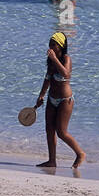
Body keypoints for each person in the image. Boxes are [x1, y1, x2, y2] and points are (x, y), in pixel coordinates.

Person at [34, 32, 84, 169]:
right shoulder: (50, 61)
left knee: (61, 132)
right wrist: (41, 96)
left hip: (65, 100)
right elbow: (47, 79)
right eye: (50, 44)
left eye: (54, 44)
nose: (50, 47)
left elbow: (66, 74)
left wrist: (55, 59)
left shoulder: (66, 59)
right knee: (49, 129)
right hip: (51, 98)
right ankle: (52, 161)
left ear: (60, 46)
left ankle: (80, 154)